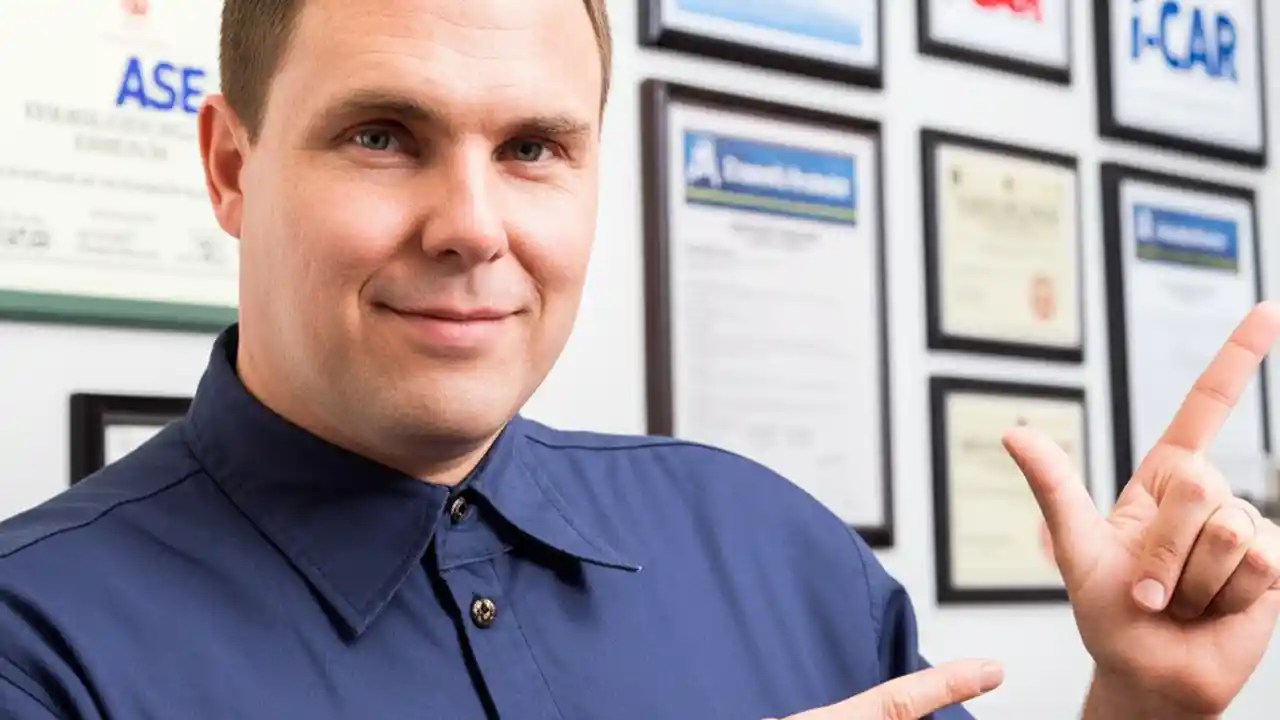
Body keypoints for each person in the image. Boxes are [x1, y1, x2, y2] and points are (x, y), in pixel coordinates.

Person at [0, 0, 1277, 717]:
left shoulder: (776, 550)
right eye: (384, 134)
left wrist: (1142, 708)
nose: (471, 228)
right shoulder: (37, 647)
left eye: (534, 148)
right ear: (232, 166)